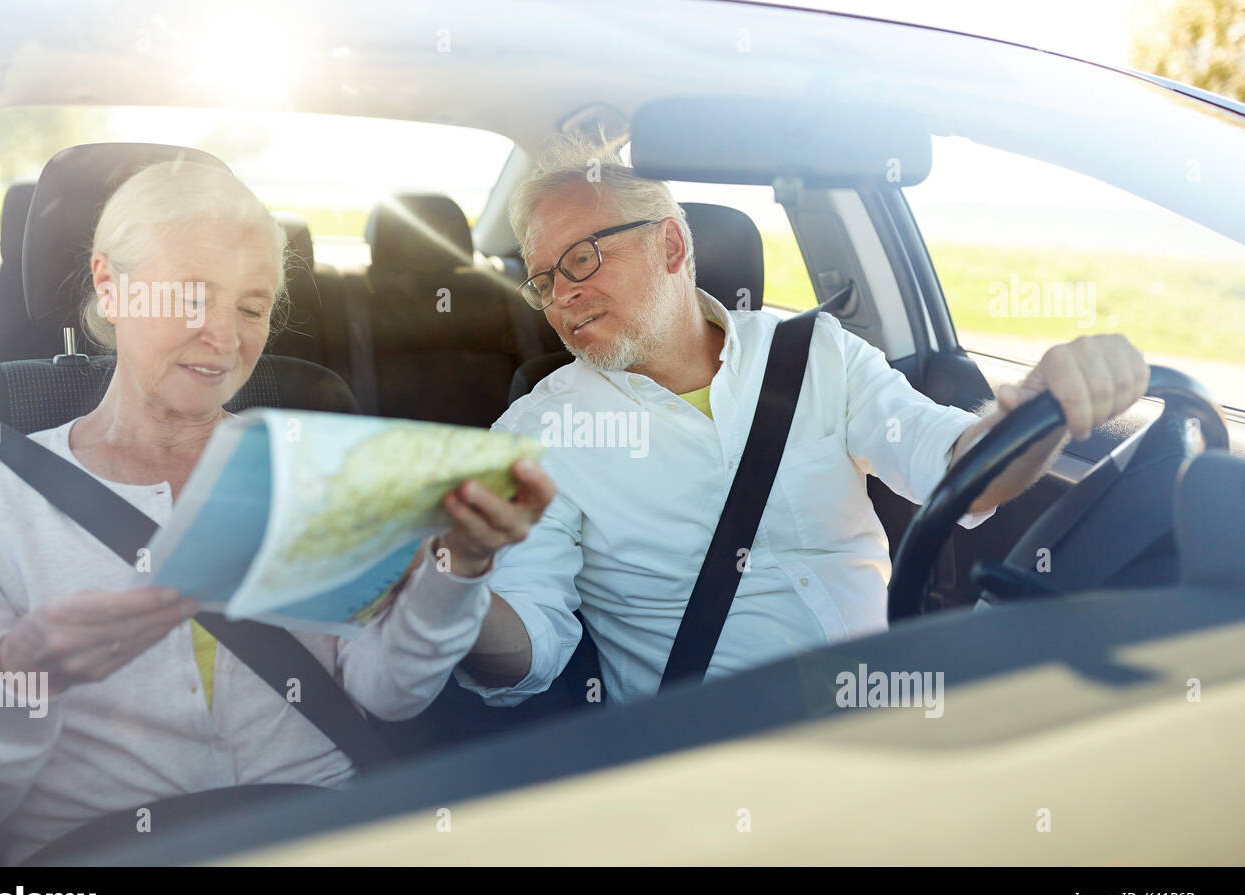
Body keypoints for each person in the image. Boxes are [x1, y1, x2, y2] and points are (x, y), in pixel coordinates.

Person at [0, 160, 554, 863]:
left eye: (252, 307)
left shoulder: (316, 469)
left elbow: (388, 694)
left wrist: (461, 566)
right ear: (110, 286)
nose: (224, 337)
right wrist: (26, 670)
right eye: (191, 296)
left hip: (322, 833)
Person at [452, 136, 1150, 706]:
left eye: (581, 258)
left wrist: (1040, 401)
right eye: (543, 280)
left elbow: (960, 471)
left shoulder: (816, 353)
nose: (562, 297)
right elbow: (528, 649)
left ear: (669, 248)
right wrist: (445, 596)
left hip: (896, 713)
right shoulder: (537, 434)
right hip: (723, 762)